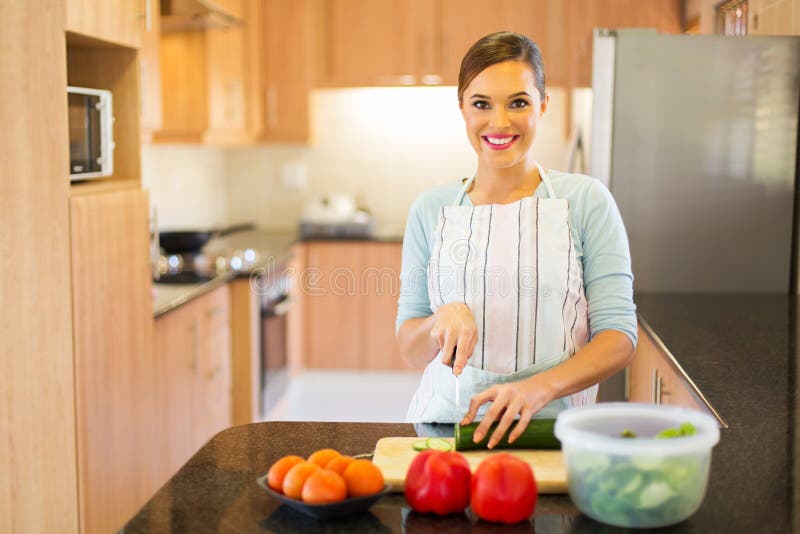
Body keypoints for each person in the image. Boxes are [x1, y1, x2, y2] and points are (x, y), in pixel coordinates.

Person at [395, 31, 637, 449]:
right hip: (445, 436)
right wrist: (440, 320)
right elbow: (411, 350)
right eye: (482, 104)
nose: (500, 122)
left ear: (543, 104)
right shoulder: (431, 208)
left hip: (554, 434)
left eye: (518, 102)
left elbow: (618, 336)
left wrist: (539, 388)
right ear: (462, 110)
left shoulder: (585, 201)